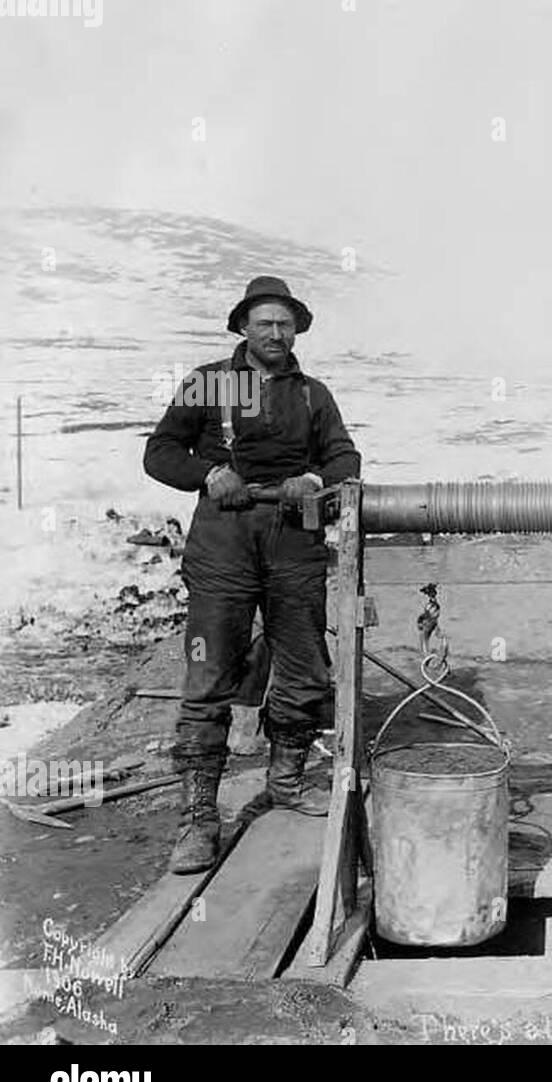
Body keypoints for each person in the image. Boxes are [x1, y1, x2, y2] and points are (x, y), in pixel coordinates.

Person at [144, 276, 361, 873]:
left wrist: (315, 480)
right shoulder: (207, 382)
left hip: (294, 541)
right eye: (264, 323)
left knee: (303, 666)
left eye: (284, 324)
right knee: (209, 675)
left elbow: (345, 457)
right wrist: (209, 475)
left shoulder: (314, 395)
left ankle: (287, 781)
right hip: (223, 545)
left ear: (296, 330)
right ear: (243, 327)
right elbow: (159, 452)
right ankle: (197, 819)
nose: (274, 333)